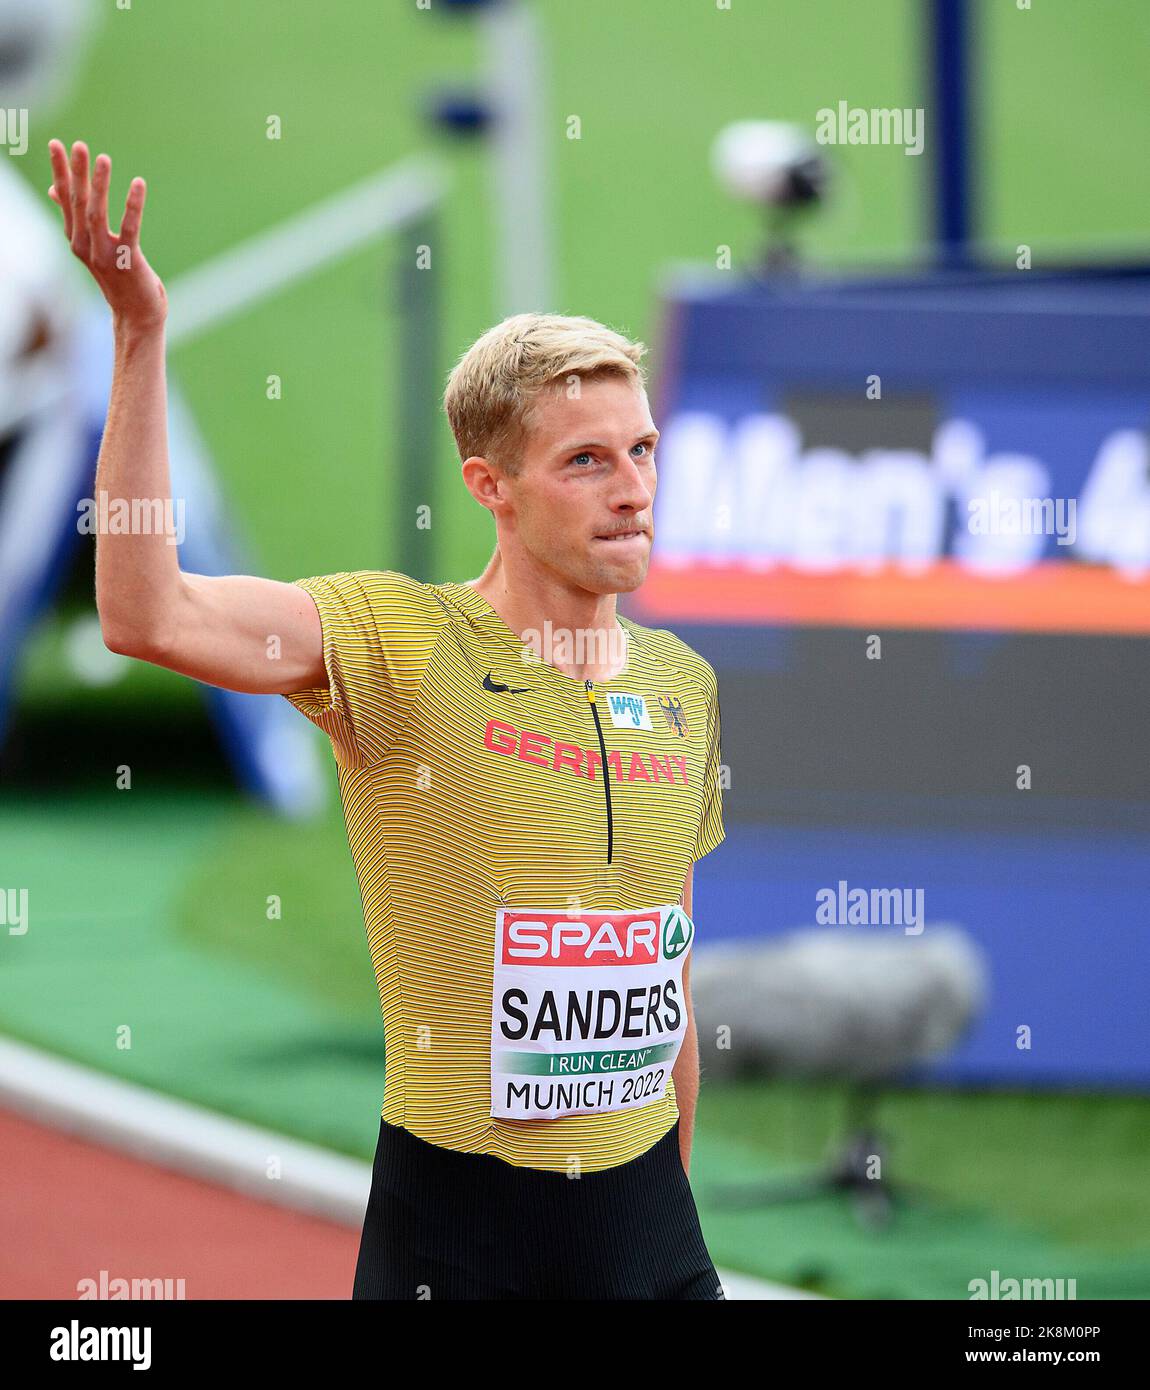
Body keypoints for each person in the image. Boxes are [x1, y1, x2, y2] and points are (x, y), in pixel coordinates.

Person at [48, 138, 728, 1300]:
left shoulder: (683, 685)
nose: (633, 488)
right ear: (488, 486)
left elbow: (664, 967)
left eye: (642, 451)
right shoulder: (395, 642)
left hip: (648, 1233)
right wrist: (138, 334)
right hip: (458, 1237)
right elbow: (144, 609)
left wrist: (665, 1204)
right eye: (585, 461)